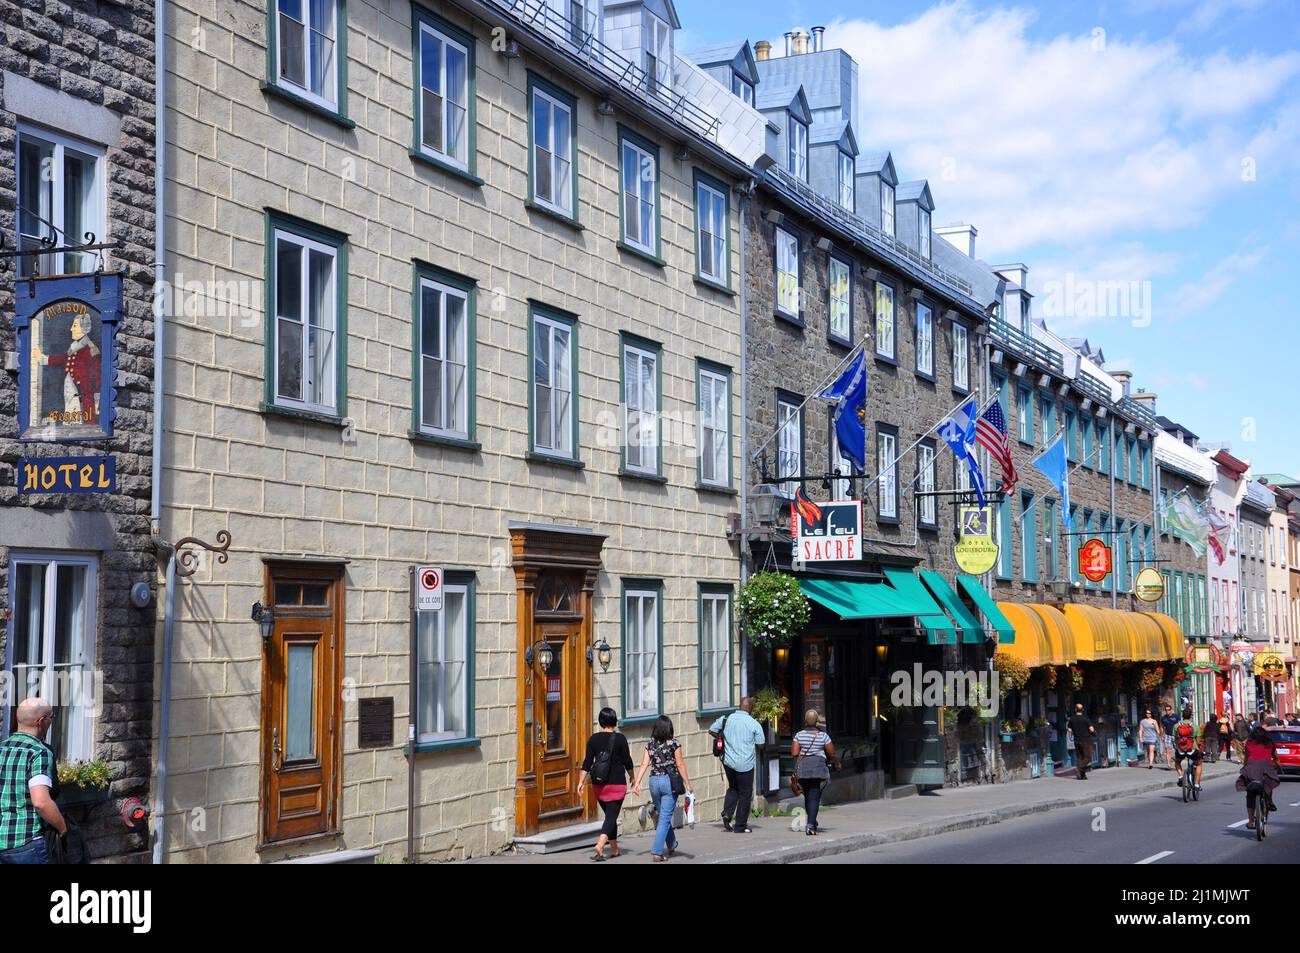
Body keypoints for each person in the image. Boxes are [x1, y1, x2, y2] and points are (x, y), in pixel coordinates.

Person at [0, 699, 67, 864]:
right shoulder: (39, 752)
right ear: (41, 721)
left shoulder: (1, 748)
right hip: (26, 842)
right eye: (51, 717)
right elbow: (41, 802)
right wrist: (62, 828)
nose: (52, 721)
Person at [632, 716, 692, 862]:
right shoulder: (674, 744)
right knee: (664, 818)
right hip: (668, 782)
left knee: (663, 816)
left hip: (654, 782)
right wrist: (688, 784)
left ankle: (671, 844)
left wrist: (637, 783)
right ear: (669, 728)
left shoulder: (650, 745)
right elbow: (680, 765)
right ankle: (657, 852)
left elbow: (644, 765)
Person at [577, 708, 634, 862]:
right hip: (617, 785)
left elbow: (587, 763)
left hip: (599, 786)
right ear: (614, 721)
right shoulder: (620, 739)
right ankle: (600, 844)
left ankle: (614, 849)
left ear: (600, 721)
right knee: (611, 817)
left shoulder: (593, 739)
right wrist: (632, 777)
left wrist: (580, 782)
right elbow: (627, 761)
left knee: (611, 816)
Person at [708, 696, 766, 835]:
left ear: (740, 706)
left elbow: (711, 730)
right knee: (745, 794)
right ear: (750, 708)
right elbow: (761, 745)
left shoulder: (726, 719)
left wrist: (724, 737)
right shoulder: (754, 724)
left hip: (728, 762)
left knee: (733, 787)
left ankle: (727, 813)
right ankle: (740, 826)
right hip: (745, 764)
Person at [791, 710, 839, 836]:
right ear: (816, 721)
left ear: (805, 721)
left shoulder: (799, 735)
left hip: (803, 768)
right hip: (818, 768)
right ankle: (811, 825)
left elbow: (795, 753)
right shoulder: (823, 736)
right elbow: (832, 753)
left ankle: (811, 820)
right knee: (814, 796)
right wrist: (837, 762)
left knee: (808, 796)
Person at [1236, 725, 1280, 830]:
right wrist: (1278, 765)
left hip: (1251, 769)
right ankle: (1269, 801)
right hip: (1266, 768)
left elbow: (1246, 758)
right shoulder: (1269, 743)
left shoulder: (1249, 743)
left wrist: (1245, 766)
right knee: (1268, 784)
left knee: (1250, 793)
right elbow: (1275, 756)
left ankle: (1251, 821)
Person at [1173, 706, 1203, 792]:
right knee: (1199, 764)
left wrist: (1178, 746)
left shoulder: (1176, 726)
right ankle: (1197, 784)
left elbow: (1175, 739)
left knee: (1177, 762)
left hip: (1180, 750)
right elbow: (1198, 741)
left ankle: (1180, 776)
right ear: (1191, 716)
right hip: (1192, 750)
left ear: (1182, 716)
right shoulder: (1195, 726)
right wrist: (1200, 749)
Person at [1068, 704, 1095, 780]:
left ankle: (1082, 776)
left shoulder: (1072, 719)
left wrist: (1074, 732)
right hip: (1086, 741)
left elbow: (1069, 729)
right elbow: (1091, 729)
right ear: (1082, 710)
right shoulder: (1085, 719)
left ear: (1075, 710)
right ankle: (1079, 769)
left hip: (1076, 740)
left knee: (1080, 757)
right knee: (1087, 757)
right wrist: (1093, 733)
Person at [1159, 704, 1178, 768]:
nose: (1167, 711)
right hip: (1167, 735)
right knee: (1168, 750)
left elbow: (1180, 724)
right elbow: (1162, 727)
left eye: (1168, 710)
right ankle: (1169, 764)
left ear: (1171, 710)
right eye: (1166, 710)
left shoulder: (1175, 716)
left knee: (1177, 749)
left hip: (1175, 735)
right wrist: (1162, 736)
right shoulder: (1163, 718)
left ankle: (1177, 762)